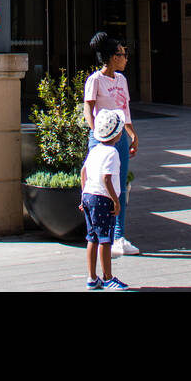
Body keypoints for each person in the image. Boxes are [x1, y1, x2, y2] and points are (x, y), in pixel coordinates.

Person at [83, 31, 139, 255]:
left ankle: (119, 236)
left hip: (120, 138)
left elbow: (124, 109)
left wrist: (132, 133)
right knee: (100, 183)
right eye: (123, 54)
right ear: (113, 57)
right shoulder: (95, 80)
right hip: (101, 139)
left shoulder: (122, 80)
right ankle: (100, 234)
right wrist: (95, 131)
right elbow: (88, 107)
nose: (126, 58)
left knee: (120, 183)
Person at [78, 108, 128, 290]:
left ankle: (92, 278)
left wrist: (83, 195)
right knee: (105, 239)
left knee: (91, 238)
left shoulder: (95, 150)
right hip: (103, 199)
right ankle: (108, 277)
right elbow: (107, 178)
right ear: (116, 134)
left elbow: (83, 172)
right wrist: (115, 200)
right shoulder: (112, 153)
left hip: (89, 196)